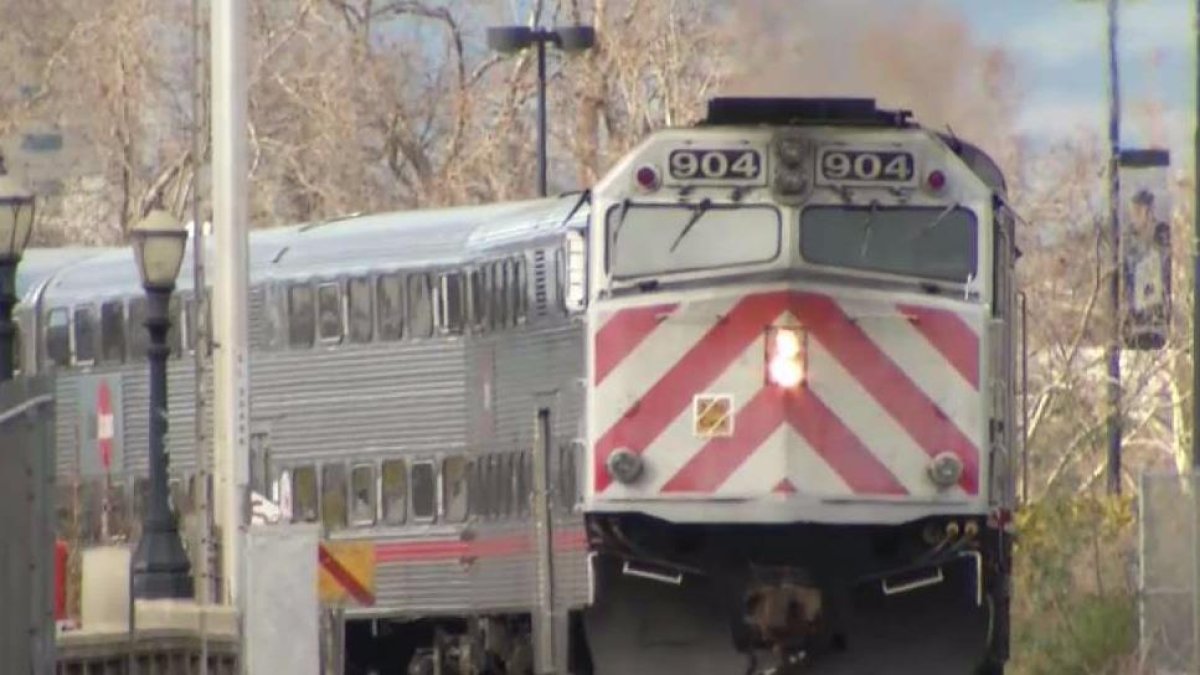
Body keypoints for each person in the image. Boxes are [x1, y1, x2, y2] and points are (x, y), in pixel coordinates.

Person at [1123, 189, 1170, 349]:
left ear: (1149, 212)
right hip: (1134, 321)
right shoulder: (1129, 240)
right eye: (1132, 212)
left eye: (1138, 211)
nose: (1133, 217)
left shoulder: (1161, 237)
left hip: (1156, 322)